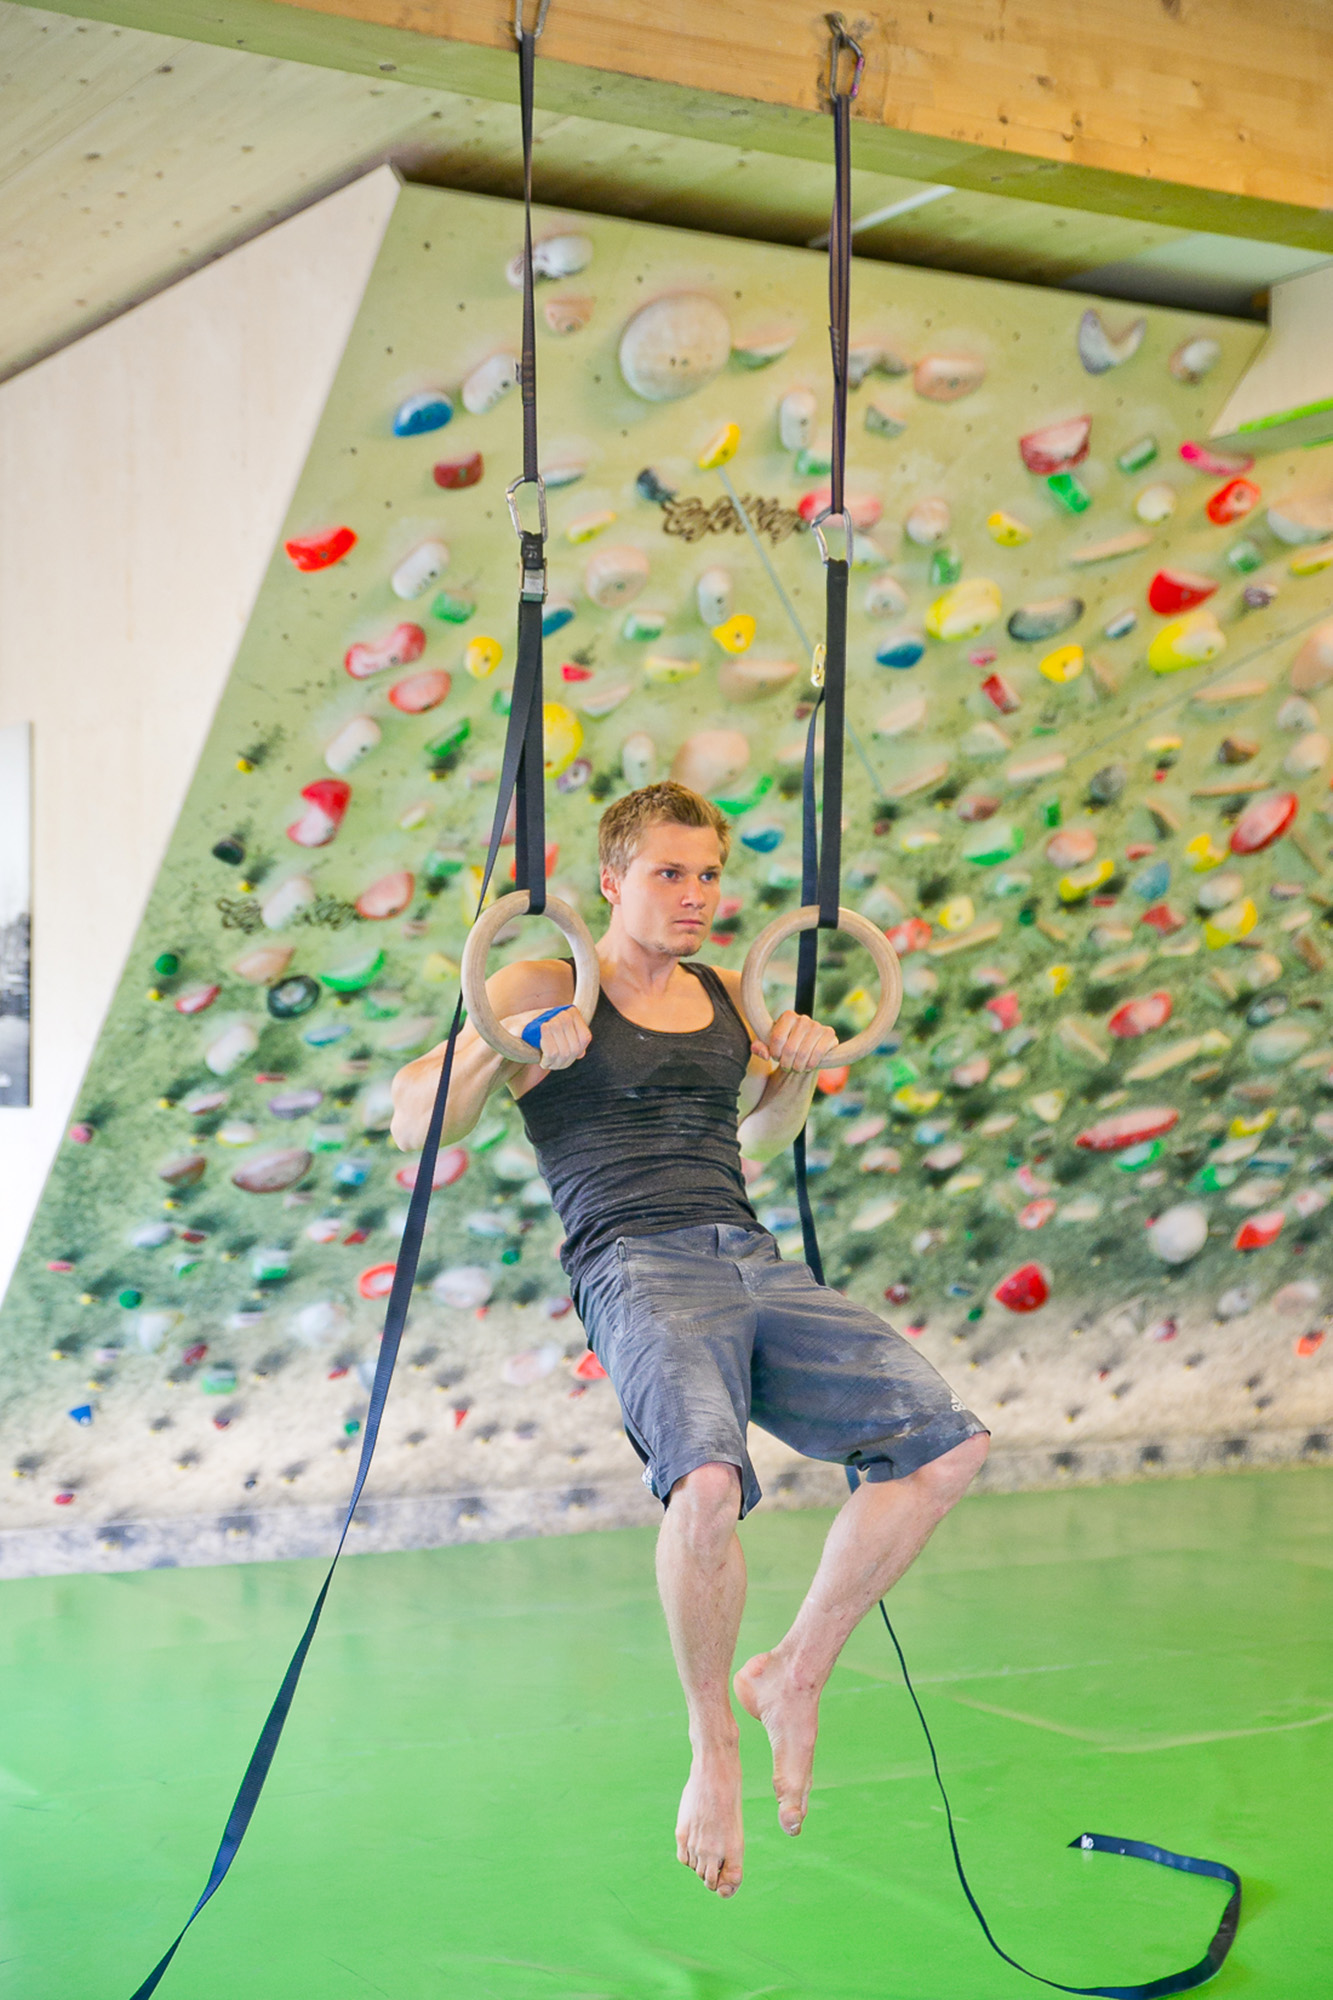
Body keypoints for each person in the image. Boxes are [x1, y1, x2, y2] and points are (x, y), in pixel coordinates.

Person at [391, 781, 989, 1900]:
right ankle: (712, 1739)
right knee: (707, 1489)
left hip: (746, 1254)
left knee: (947, 1447)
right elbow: (413, 1117)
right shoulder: (548, 977)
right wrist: (508, 1040)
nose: (697, 894)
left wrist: (797, 1064)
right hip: (633, 1260)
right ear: (611, 880)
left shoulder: (723, 991)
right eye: (671, 872)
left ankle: (794, 1671)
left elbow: (760, 1127)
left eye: (709, 872)